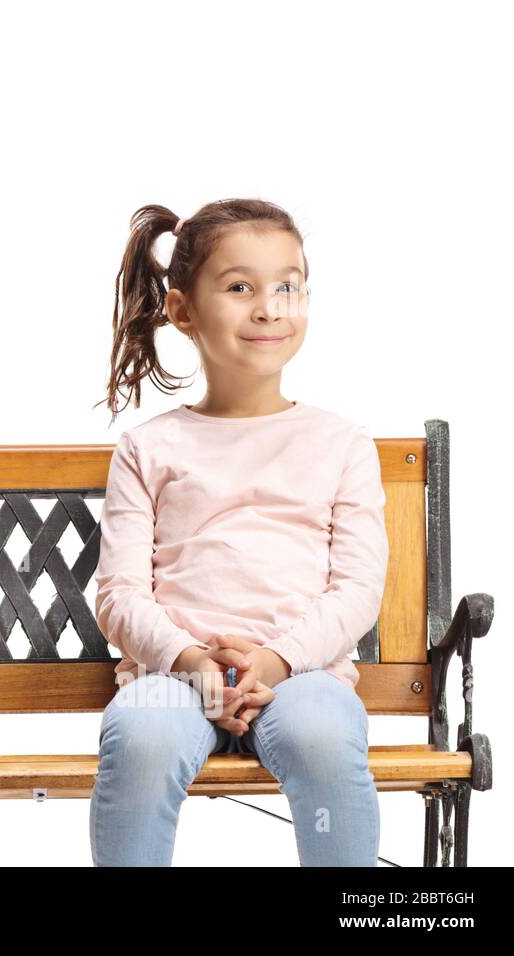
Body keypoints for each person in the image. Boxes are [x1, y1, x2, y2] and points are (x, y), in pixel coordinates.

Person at [89, 199, 388, 866]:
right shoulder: (148, 448)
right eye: (240, 288)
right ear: (182, 310)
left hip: (301, 671)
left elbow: (357, 589)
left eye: (288, 286)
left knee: (321, 736)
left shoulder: (341, 444)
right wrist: (194, 662)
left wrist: (274, 661)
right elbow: (120, 595)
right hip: (174, 673)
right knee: (143, 739)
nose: (269, 309)